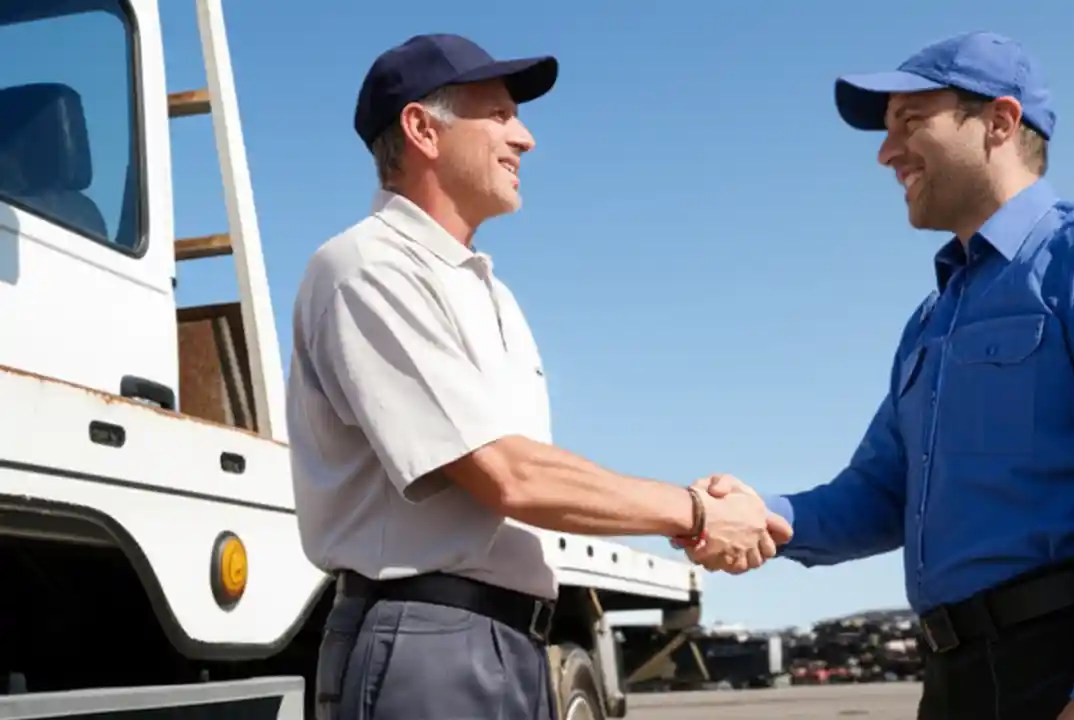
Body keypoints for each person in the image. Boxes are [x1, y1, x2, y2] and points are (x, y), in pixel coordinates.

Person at [690, 30, 1074, 720]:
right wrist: (761, 515)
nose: (886, 152)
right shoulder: (932, 319)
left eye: (910, 122)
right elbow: (880, 492)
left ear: (999, 121)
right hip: (957, 678)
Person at [286, 33, 790, 720]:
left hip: (505, 639)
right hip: (429, 641)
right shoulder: (367, 268)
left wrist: (697, 512)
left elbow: (528, 472)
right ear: (421, 129)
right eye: (497, 114)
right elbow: (510, 475)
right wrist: (696, 513)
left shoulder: (487, 291)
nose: (523, 138)